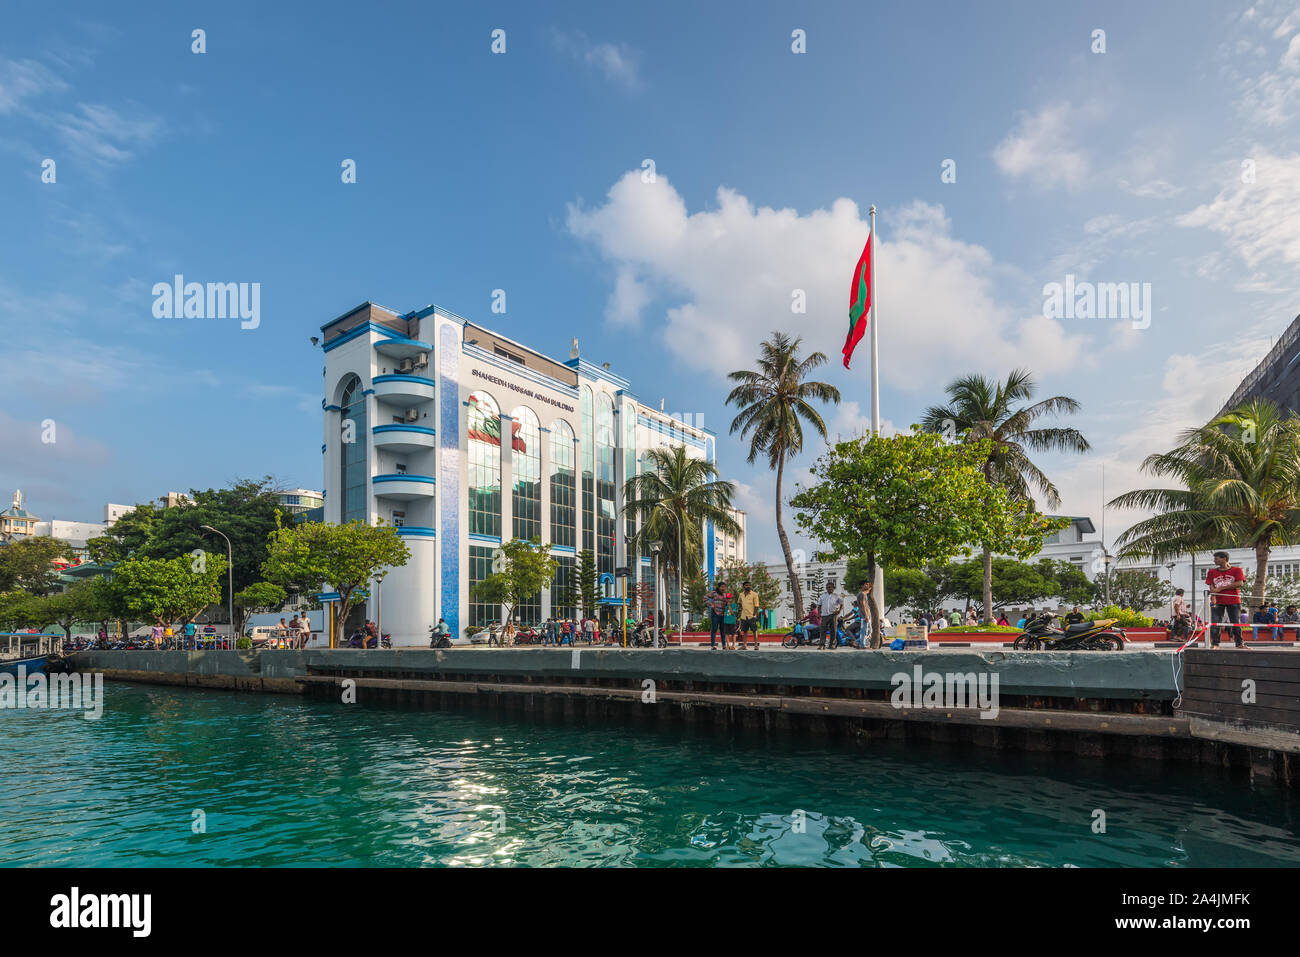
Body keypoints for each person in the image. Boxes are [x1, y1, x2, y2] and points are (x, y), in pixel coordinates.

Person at [1206, 550, 1246, 649]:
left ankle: (1239, 643)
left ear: (1224, 559)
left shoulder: (1237, 570)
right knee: (1215, 622)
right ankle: (1215, 644)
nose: (1214, 561)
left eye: (1216, 558)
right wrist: (1213, 595)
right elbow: (1211, 586)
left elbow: (1240, 583)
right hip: (1218, 600)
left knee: (1236, 622)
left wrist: (1221, 588)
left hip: (1233, 600)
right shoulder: (1212, 572)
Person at [818, 581, 843, 650]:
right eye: (828, 587)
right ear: (826, 588)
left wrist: (839, 611)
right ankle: (821, 645)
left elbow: (842, 603)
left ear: (833, 588)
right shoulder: (823, 595)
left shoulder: (837, 595)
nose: (829, 589)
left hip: (833, 615)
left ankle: (832, 645)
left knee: (833, 630)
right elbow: (819, 605)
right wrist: (819, 613)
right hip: (824, 615)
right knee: (823, 630)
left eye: (830, 587)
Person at [738, 581, 762, 651]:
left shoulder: (754, 594)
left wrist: (754, 614)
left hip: (751, 616)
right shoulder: (741, 594)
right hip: (743, 616)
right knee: (744, 631)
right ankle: (744, 645)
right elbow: (739, 602)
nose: (748, 586)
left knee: (754, 630)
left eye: (749, 585)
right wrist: (740, 608)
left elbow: (756, 605)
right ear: (743, 587)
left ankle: (756, 645)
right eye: (746, 585)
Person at [853, 580, 875, 649]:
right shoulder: (862, 594)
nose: (867, 586)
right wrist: (866, 615)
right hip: (864, 614)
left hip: (866, 614)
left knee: (868, 631)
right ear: (862, 586)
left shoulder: (864, 594)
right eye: (866, 584)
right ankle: (861, 644)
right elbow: (863, 605)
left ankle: (857, 642)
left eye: (868, 585)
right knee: (864, 630)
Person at [706, 583, 727, 650]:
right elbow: (705, 597)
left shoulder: (725, 595)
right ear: (719, 587)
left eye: (724, 587)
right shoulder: (714, 593)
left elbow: (727, 603)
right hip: (715, 613)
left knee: (723, 630)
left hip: (723, 614)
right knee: (714, 629)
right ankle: (713, 645)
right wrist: (710, 604)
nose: (723, 588)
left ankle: (724, 645)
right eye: (722, 587)